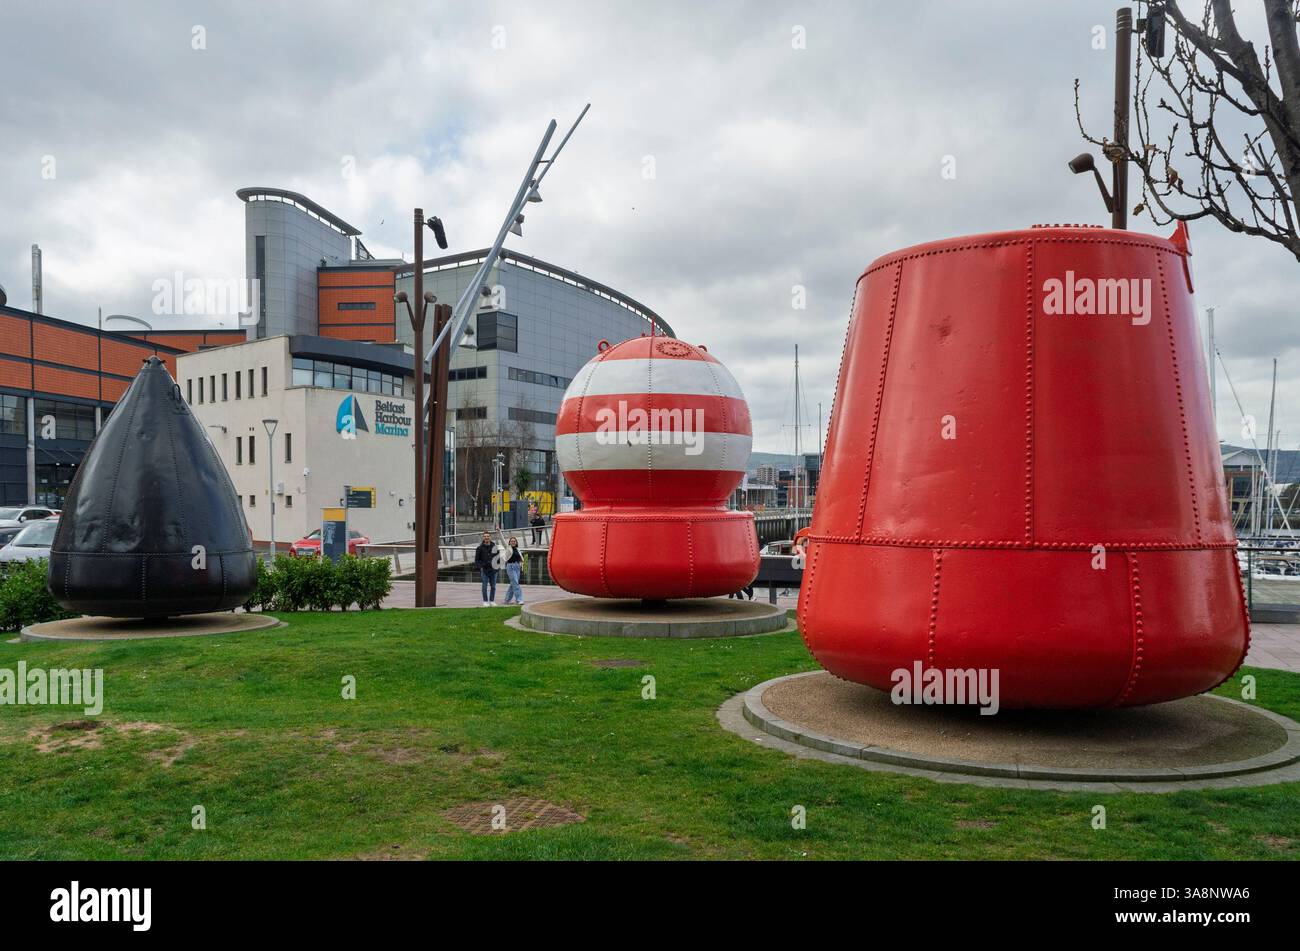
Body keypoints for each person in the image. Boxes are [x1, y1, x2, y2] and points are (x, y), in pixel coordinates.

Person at [474, 531, 498, 607]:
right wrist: (481, 567)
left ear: (490, 537)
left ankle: (492, 601)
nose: (487, 538)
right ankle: (485, 601)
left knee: (493, 586)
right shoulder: (479, 548)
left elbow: (498, 558)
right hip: (484, 570)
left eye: (488, 536)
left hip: (494, 570)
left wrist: (497, 568)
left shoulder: (494, 547)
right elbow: (477, 560)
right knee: (484, 586)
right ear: (483, 538)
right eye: (485, 536)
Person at [503, 536, 525, 606]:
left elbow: (521, 559)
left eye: (514, 541)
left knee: (513, 584)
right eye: (511, 541)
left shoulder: (518, 549)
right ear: (509, 542)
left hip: (517, 567)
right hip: (510, 566)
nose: (513, 542)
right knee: (515, 583)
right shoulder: (508, 548)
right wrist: (499, 532)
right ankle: (519, 599)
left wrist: (523, 567)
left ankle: (507, 600)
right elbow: (502, 540)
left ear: (516, 542)